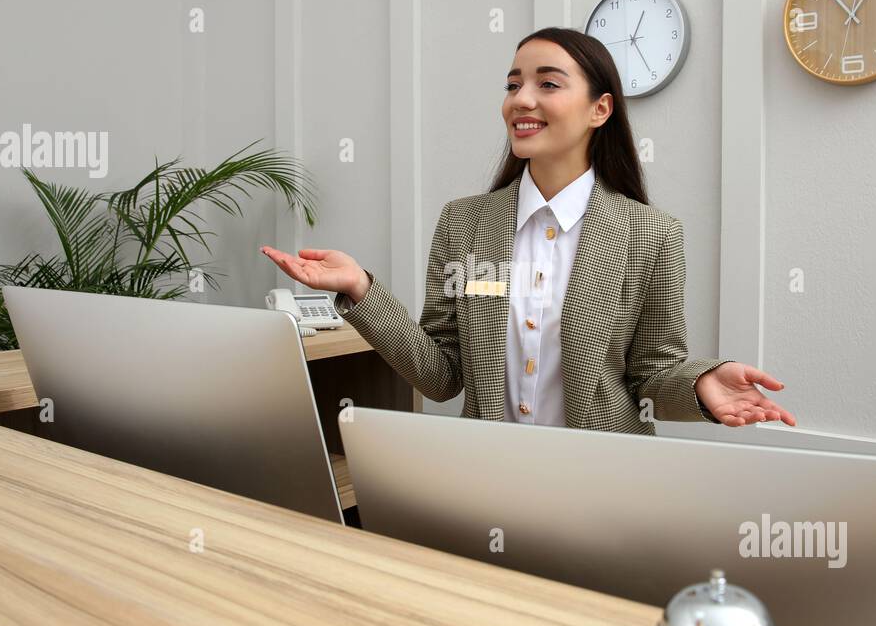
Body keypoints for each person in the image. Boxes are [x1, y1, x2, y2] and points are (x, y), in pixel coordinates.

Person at [262, 26, 795, 434]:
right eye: (513, 84)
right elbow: (441, 374)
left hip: (602, 487)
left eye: (548, 84)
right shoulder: (463, 223)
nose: (521, 99)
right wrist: (361, 291)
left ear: (599, 109)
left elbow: (652, 375)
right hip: (486, 478)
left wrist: (702, 385)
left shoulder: (652, 235)